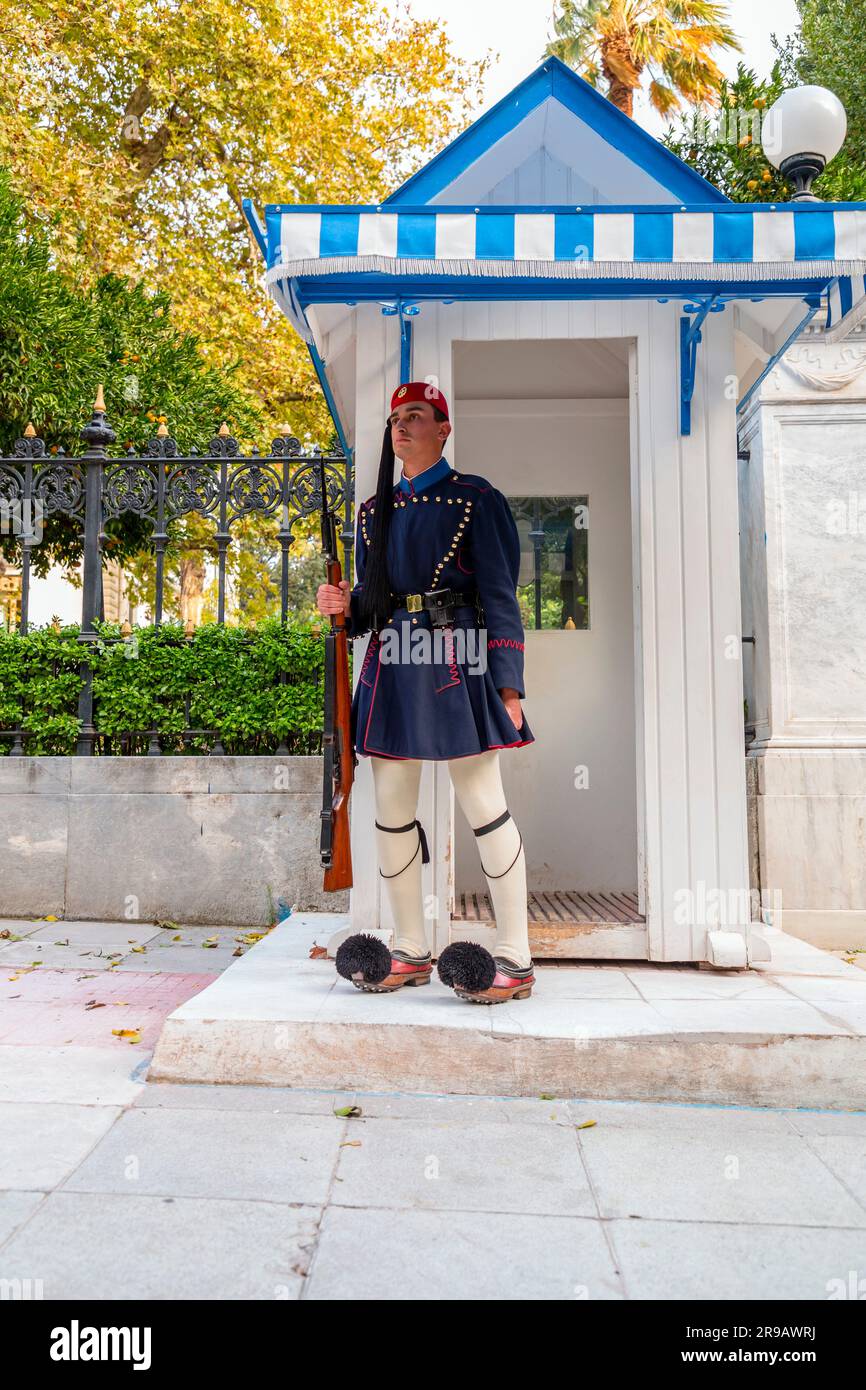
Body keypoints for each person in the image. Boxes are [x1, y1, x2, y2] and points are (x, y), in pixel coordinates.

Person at [316, 381, 536, 1004]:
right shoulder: (371, 511)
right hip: (393, 660)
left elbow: (500, 597)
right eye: (395, 419)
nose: (402, 427)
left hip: (457, 657)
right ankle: (410, 949)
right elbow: (371, 601)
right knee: (390, 806)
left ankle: (515, 955)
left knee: (481, 801)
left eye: (416, 417)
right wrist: (343, 605)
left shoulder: (476, 498)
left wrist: (509, 684)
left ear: (443, 429)